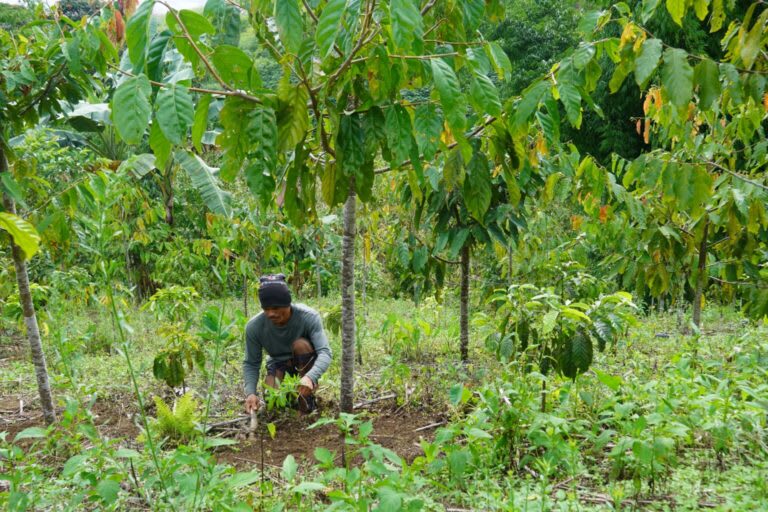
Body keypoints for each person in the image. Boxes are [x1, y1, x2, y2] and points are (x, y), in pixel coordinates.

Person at [243, 274, 332, 414]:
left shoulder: (308, 317)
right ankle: (292, 399)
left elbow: (325, 353)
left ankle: (307, 397)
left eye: (276, 308)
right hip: (279, 364)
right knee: (273, 399)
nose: (271, 313)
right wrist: (250, 393)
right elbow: (251, 363)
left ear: (287, 304)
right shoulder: (254, 326)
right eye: (267, 309)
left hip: (303, 361)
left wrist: (310, 377)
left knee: (300, 344)